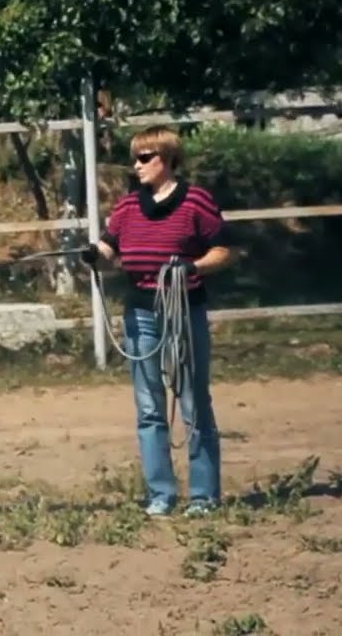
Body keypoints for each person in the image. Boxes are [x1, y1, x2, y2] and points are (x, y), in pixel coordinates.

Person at [80, 125, 236, 517]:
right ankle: (161, 494)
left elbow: (223, 250)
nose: (137, 166)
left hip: (184, 310)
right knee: (149, 407)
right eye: (135, 158)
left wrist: (193, 266)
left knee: (193, 402)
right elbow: (109, 250)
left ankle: (203, 496)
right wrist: (93, 255)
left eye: (144, 158)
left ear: (166, 159)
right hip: (141, 313)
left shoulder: (197, 201)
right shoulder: (128, 207)